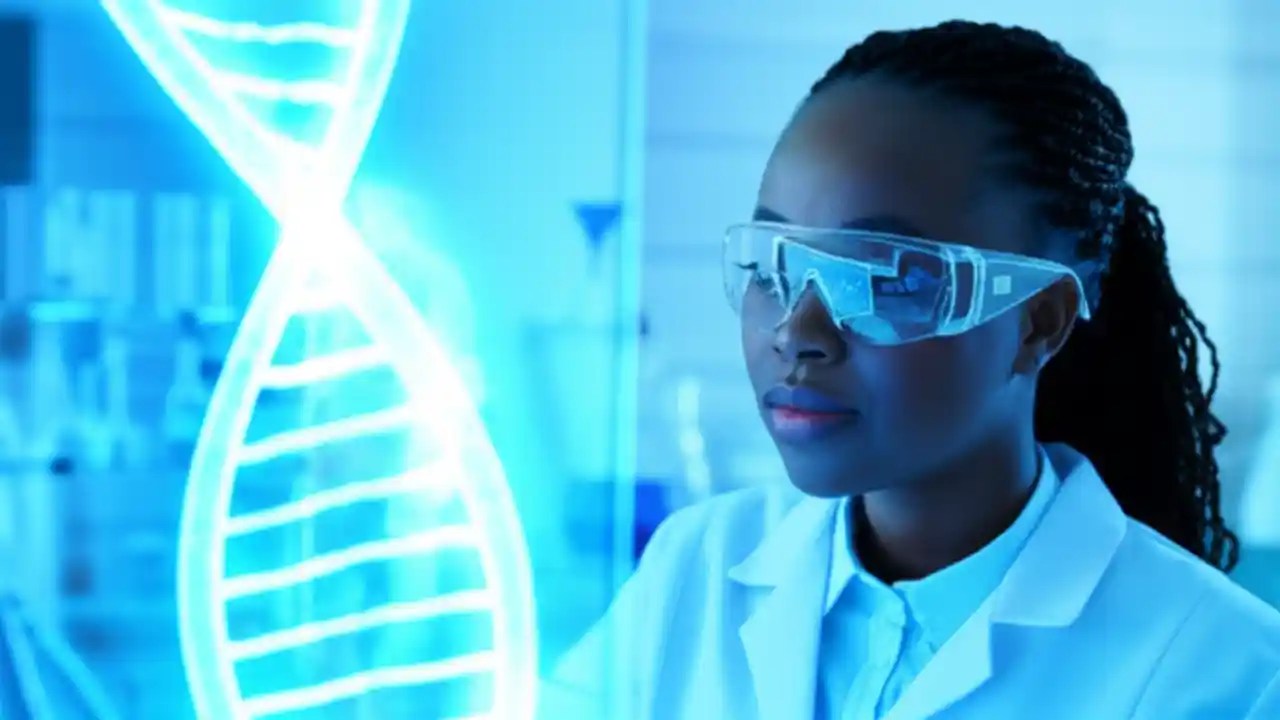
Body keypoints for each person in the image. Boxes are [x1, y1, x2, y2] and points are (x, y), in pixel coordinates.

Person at [541, 20, 1280, 719]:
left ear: (1038, 322)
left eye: (881, 277)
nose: (798, 333)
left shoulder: (1226, 670)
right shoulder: (697, 566)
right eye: (772, 265)